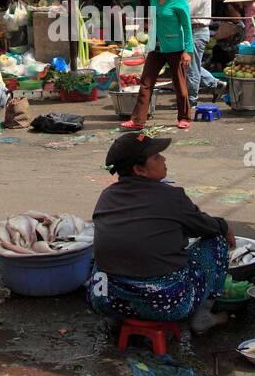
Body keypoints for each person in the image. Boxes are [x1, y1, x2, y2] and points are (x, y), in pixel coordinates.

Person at [87, 132, 234, 333]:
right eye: (156, 157)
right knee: (216, 242)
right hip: (165, 304)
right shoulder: (172, 197)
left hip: (103, 300)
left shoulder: (106, 196)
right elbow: (206, 227)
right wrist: (224, 226)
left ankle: (114, 319)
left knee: (102, 259)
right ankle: (203, 315)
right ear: (139, 169)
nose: (164, 159)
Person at [122, 0, 193, 131]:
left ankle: (184, 117)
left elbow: (187, 26)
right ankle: (138, 119)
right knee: (146, 83)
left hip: (176, 47)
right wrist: (147, 44)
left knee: (180, 84)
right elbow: (153, 22)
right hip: (156, 47)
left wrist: (187, 51)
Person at [184, 0, 221, 98]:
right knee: (193, 65)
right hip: (198, 31)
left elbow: (187, 11)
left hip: (197, 31)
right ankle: (215, 84)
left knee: (191, 67)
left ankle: (191, 99)